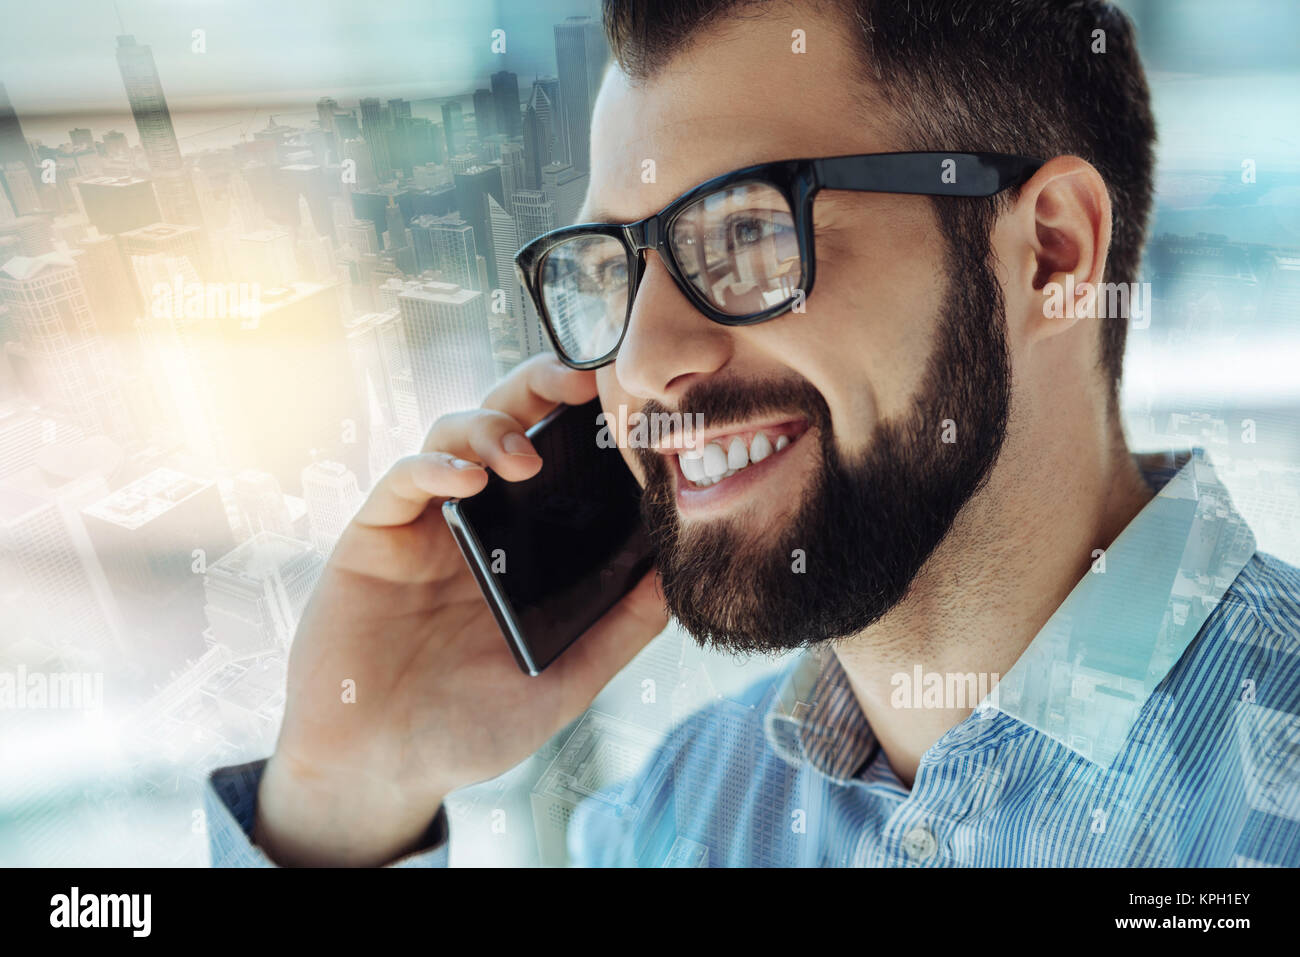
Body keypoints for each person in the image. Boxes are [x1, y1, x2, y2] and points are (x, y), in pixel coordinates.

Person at [207, 0, 1300, 867]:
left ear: (1051, 257)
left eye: (744, 233)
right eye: (613, 269)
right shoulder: (668, 822)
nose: (637, 363)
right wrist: (345, 802)